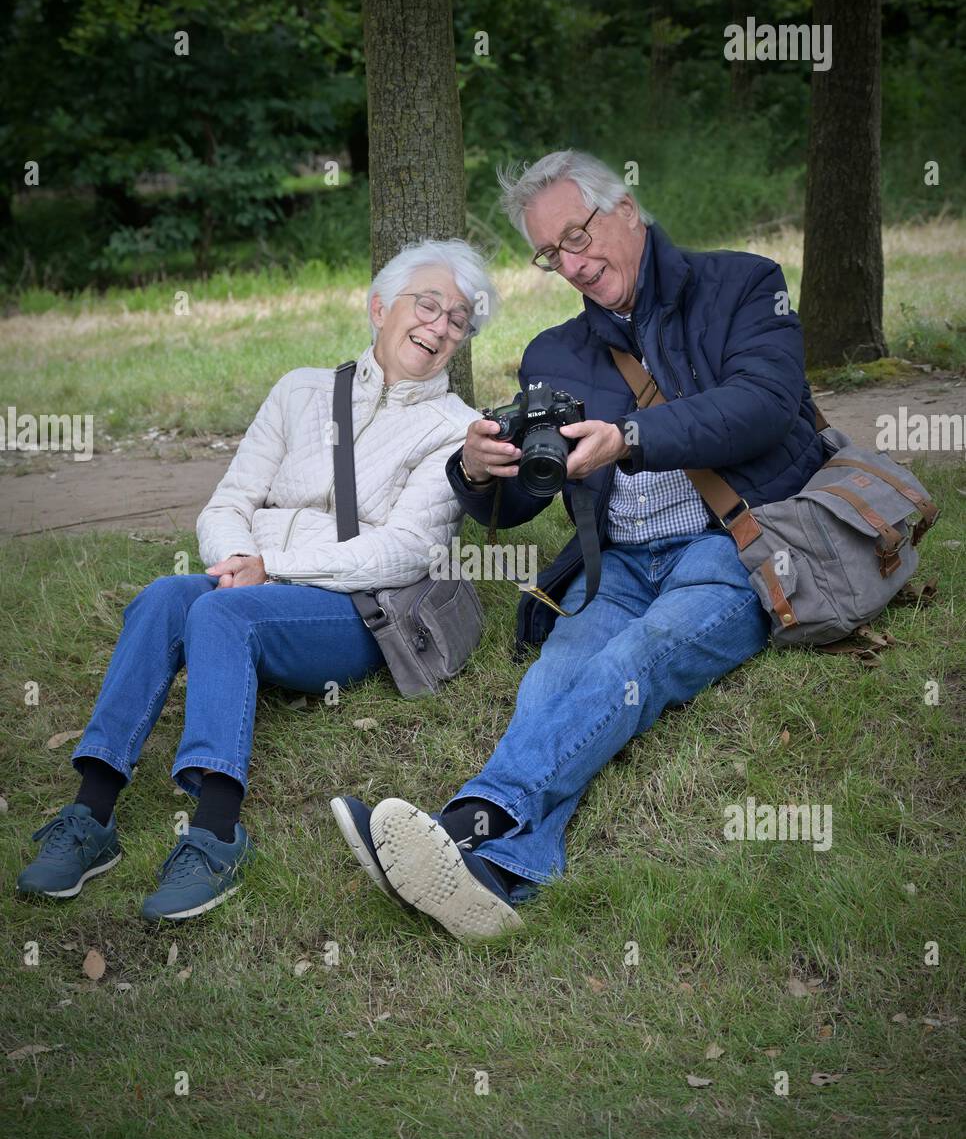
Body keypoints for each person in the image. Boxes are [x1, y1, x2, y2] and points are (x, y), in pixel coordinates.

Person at [330, 150, 826, 941]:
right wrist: (480, 469)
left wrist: (630, 436)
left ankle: (471, 820)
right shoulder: (556, 352)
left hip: (733, 540)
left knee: (642, 661)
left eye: (578, 235)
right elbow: (528, 496)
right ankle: (503, 874)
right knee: (558, 675)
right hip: (620, 559)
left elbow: (763, 406)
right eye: (551, 252)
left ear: (625, 207)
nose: (572, 263)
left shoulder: (744, 284)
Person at [17, 238, 495, 922]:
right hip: (254, 582)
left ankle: (214, 835)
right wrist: (237, 563)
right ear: (379, 307)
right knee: (163, 598)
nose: (441, 326)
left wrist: (275, 569)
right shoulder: (301, 390)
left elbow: (405, 553)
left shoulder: (455, 429)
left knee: (218, 616)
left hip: (352, 613)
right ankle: (90, 814)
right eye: (429, 305)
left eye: (460, 320)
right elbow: (229, 501)